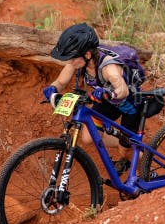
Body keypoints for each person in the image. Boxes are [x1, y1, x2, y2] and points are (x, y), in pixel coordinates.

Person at [42, 23, 141, 172]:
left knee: (124, 151)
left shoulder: (108, 67)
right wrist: (52, 89)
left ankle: (142, 167)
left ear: (87, 54)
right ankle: (128, 145)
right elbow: (61, 81)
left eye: (72, 58)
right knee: (89, 137)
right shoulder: (78, 62)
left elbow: (122, 90)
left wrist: (110, 93)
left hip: (129, 106)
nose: (69, 61)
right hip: (107, 101)